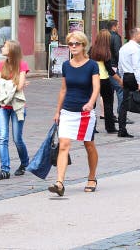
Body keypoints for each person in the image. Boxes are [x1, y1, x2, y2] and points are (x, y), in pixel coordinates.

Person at [48, 31, 100, 196]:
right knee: (63, 145)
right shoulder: (66, 65)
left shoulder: (92, 65)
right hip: (68, 111)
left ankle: (92, 177)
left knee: (88, 145)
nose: (74, 46)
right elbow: (63, 89)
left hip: (85, 112)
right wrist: (57, 111)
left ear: (84, 45)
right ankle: (59, 183)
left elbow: (96, 87)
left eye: (77, 43)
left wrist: (91, 103)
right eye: (71, 44)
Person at [0, 39, 29, 180]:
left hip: (17, 106)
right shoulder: (1, 65)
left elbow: (19, 86)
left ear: (12, 50)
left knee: (17, 139)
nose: (2, 48)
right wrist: (9, 83)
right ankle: (5, 169)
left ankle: (25, 163)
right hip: (3, 106)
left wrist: (3, 83)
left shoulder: (22, 65)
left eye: (5, 46)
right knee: (3, 138)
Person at [92, 30, 123, 134]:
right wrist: (119, 80)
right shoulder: (106, 52)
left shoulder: (92, 50)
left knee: (92, 104)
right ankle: (110, 127)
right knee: (108, 103)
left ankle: (91, 127)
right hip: (104, 79)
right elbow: (109, 70)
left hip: (92, 79)